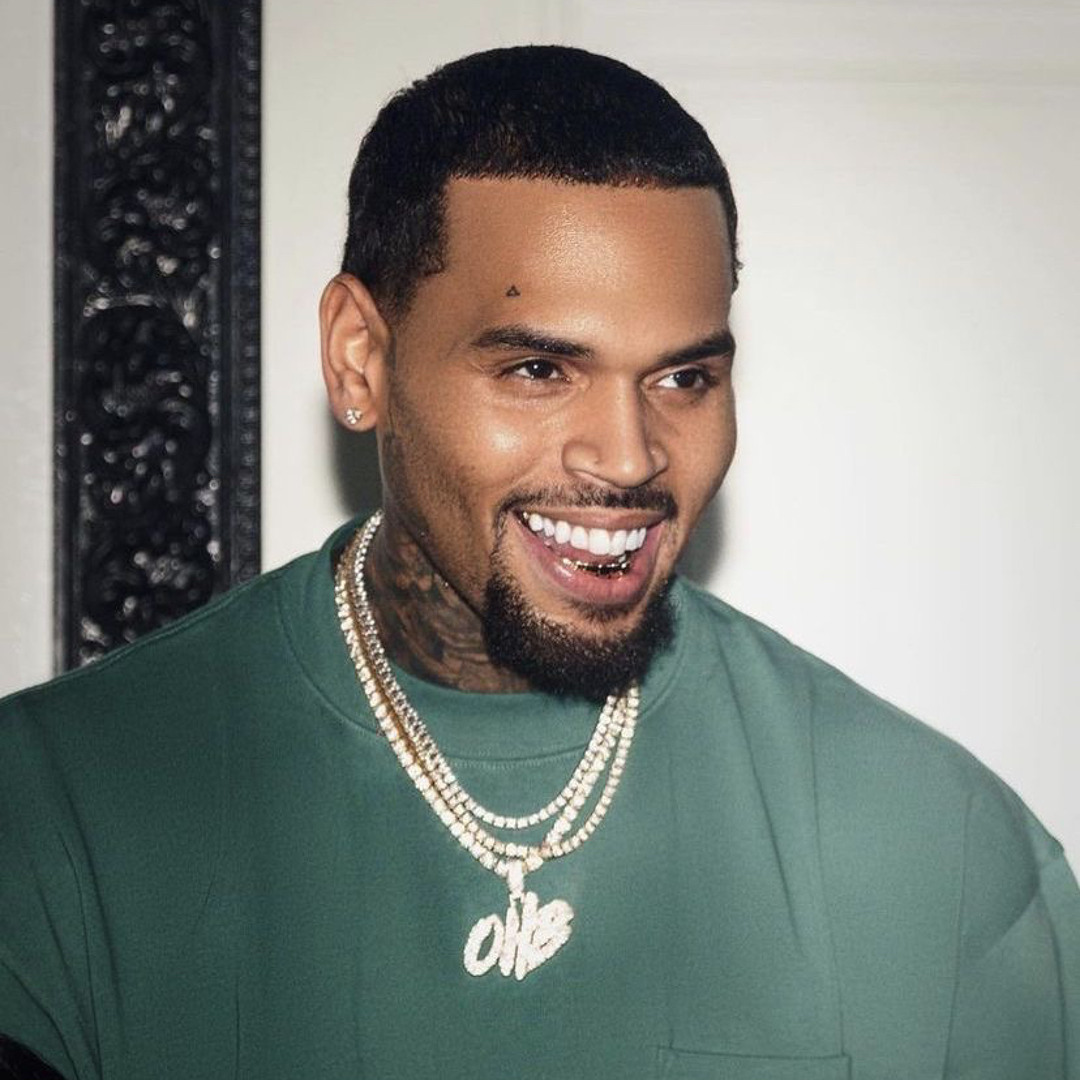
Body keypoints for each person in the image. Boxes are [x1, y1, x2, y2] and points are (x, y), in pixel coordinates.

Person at [1, 44, 1077, 1080]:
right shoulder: (54, 816)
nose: (630, 455)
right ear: (360, 359)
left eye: (684, 379)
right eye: (537, 370)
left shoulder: (939, 849)